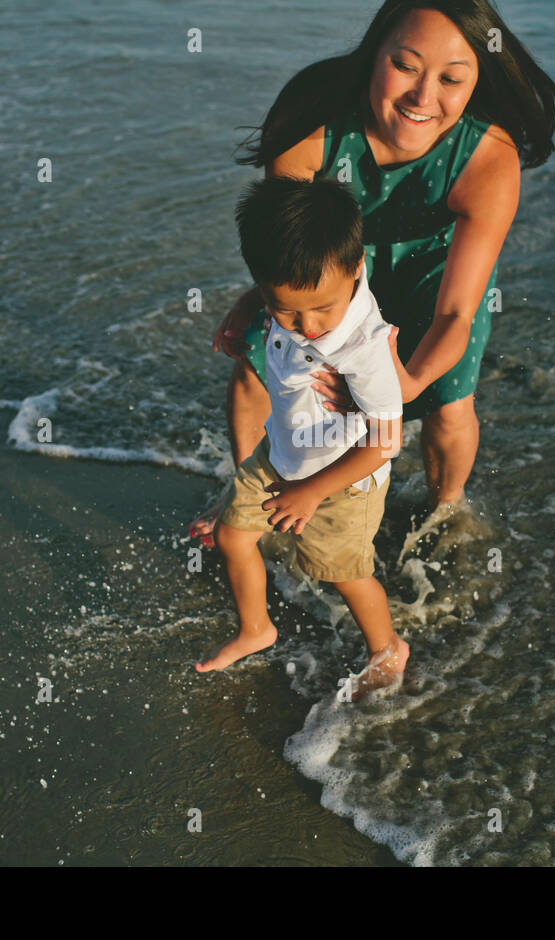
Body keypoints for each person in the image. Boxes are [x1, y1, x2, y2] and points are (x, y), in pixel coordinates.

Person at [190, 0, 555, 548]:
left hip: (436, 271)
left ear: (477, 81)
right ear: (374, 53)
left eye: (451, 79)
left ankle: (447, 513)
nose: (423, 97)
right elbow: (287, 244)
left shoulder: (488, 156)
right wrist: (255, 298)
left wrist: (403, 386)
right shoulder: (311, 118)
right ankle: (249, 496)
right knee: (254, 371)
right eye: (406, 66)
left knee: (449, 405)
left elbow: (456, 313)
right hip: (325, 268)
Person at [195, 177, 409, 700]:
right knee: (231, 535)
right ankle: (255, 629)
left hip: (343, 480)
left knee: (342, 573)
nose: (306, 326)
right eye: (287, 311)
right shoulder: (295, 288)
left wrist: (313, 492)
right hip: (283, 452)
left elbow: (385, 442)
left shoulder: (365, 347)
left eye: (321, 310)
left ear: (356, 271)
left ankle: (388, 648)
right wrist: (248, 309)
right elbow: (278, 290)